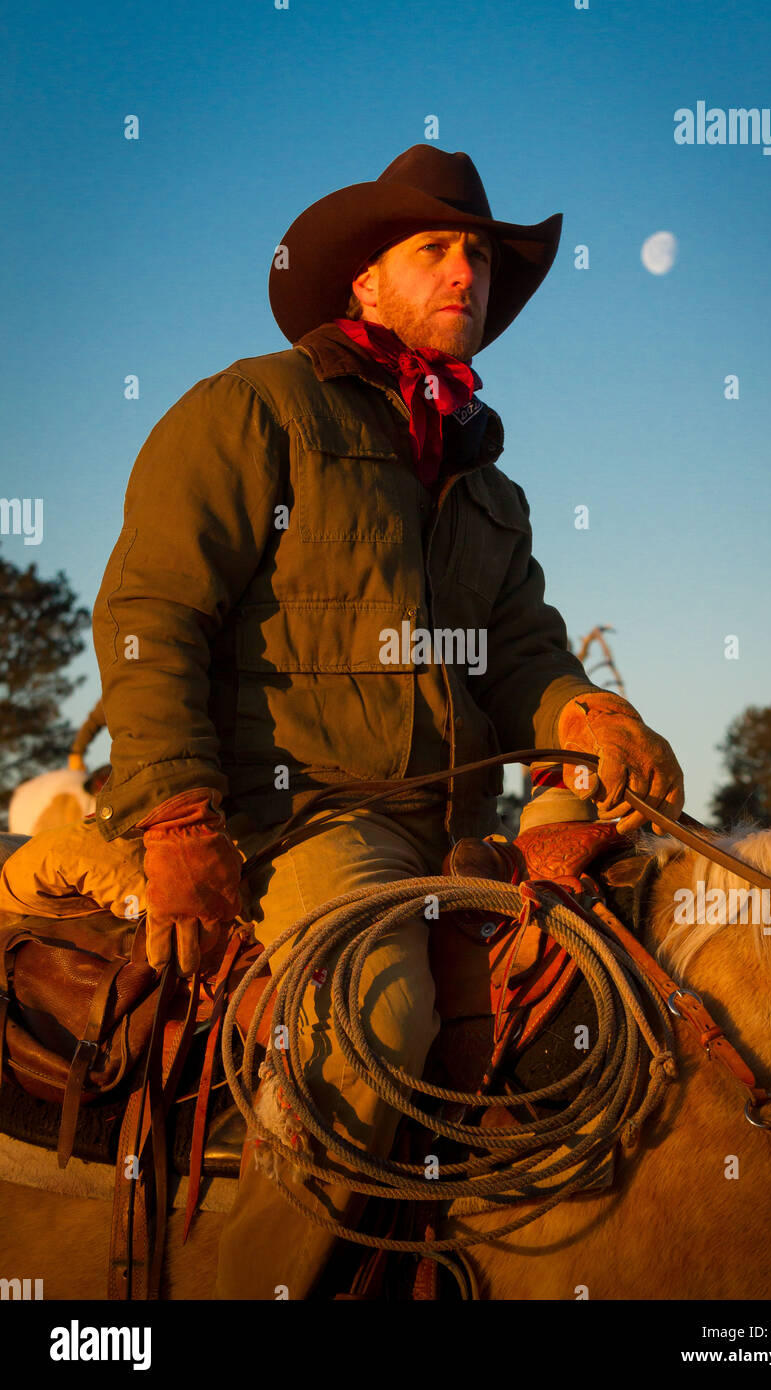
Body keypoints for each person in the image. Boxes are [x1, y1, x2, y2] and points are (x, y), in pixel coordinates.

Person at [86, 144, 684, 1298]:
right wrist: (173, 816)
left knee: (637, 983)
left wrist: (592, 713)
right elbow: (147, 611)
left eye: (478, 254)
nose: (468, 270)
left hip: (452, 835)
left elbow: (521, 654)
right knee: (381, 1014)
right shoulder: (254, 409)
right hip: (303, 815)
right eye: (436, 249)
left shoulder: (485, 484)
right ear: (363, 283)